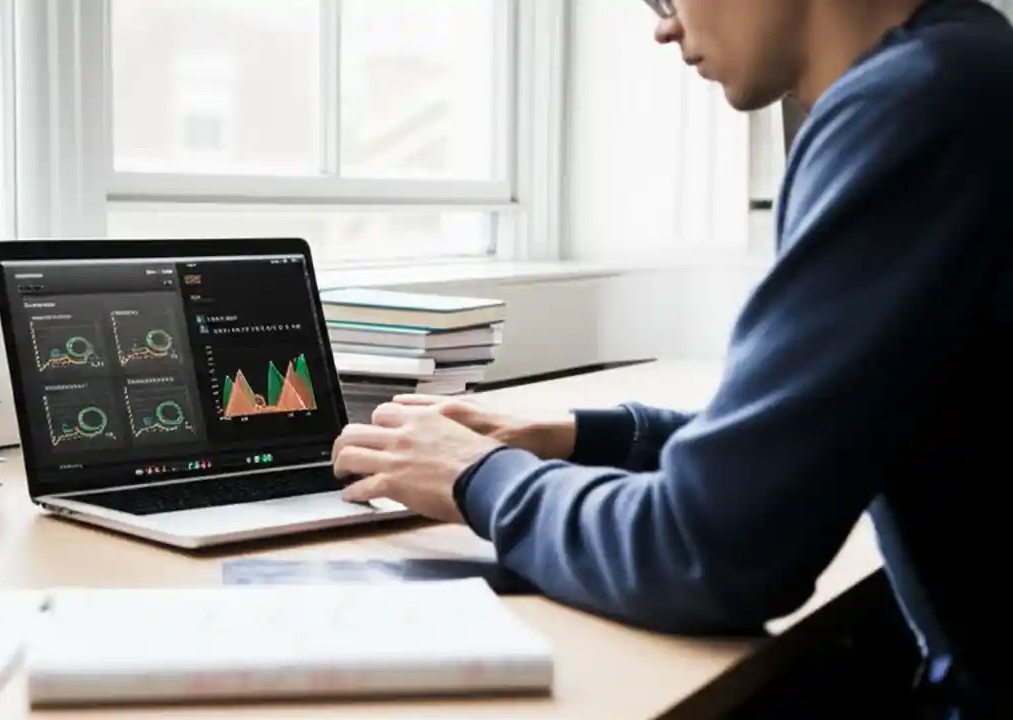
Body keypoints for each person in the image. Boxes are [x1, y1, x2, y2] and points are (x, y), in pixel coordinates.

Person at [332, 0, 1013, 716]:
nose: (663, 25)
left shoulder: (915, 106)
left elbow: (707, 553)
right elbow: (805, 440)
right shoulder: (968, 62)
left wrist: (478, 479)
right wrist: (578, 435)